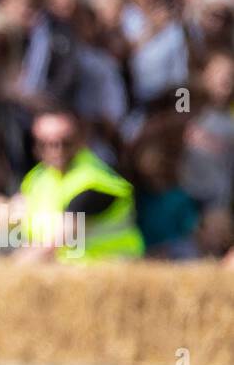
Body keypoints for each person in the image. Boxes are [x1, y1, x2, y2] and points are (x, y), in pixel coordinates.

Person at [14, 107, 145, 263]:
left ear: (81, 140)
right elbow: (15, 210)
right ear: (35, 147)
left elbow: (51, 245)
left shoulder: (95, 181)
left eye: (65, 142)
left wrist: (6, 273)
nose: (56, 150)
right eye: (45, 143)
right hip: (63, 272)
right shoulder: (39, 177)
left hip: (106, 272)